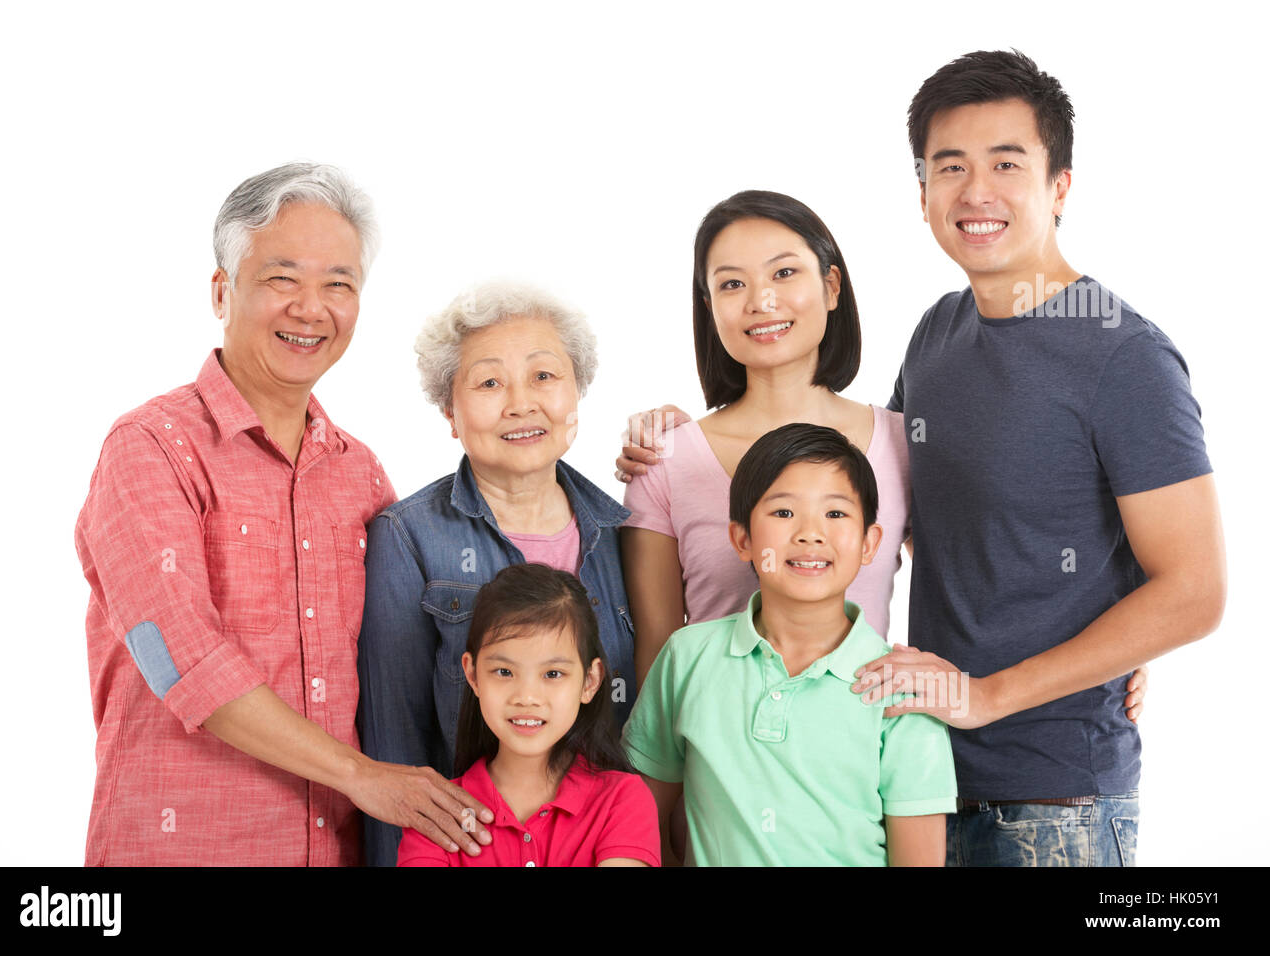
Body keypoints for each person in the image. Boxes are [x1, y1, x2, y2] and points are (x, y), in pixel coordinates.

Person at [855, 50, 1225, 866]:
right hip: (922, 777)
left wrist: (990, 695)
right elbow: (900, 505)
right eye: (949, 166)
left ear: (1060, 187)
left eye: (1006, 164)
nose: (975, 191)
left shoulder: (1124, 356)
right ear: (921, 195)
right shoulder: (937, 333)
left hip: (1057, 805)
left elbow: (1195, 590)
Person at [75, 162, 494, 866]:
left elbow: (412, 655)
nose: (311, 308)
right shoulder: (151, 448)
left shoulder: (360, 473)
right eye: (282, 279)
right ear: (221, 290)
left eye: (339, 284)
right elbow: (182, 659)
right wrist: (362, 777)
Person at [358, 281, 636, 866]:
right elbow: (395, 752)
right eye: (489, 383)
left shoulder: (624, 532)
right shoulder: (409, 537)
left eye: (544, 377)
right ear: (450, 414)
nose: (520, 403)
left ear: (576, 395)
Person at [623, 424, 956, 866]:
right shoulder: (687, 658)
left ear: (869, 543)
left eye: (835, 514)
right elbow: (638, 821)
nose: (810, 534)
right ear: (743, 539)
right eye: (783, 513)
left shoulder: (900, 689)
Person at [618, 191, 911, 686]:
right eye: (732, 283)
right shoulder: (663, 459)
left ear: (831, 285)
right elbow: (656, 660)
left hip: (859, 743)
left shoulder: (904, 445)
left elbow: (964, 602)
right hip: (714, 753)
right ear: (710, 307)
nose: (761, 301)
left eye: (784, 273)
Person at [398, 563, 659, 866]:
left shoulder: (623, 801)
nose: (526, 697)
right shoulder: (437, 815)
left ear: (589, 681)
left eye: (552, 673)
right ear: (472, 674)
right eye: (504, 671)